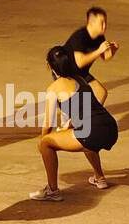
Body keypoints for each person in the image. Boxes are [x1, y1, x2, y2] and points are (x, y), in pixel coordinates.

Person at [29, 46, 119, 201]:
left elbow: (47, 124)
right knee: (83, 133)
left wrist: (43, 142)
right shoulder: (80, 78)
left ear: (49, 66)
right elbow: (102, 92)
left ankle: (52, 190)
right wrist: (80, 119)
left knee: (45, 143)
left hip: (92, 132)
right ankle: (99, 177)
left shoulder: (54, 88)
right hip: (110, 128)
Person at [63, 6, 118, 104]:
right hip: (66, 72)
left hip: (81, 73)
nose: (105, 26)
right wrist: (99, 51)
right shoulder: (80, 36)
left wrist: (113, 50)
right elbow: (80, 62)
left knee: (101, 93)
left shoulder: (99, 36)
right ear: (92, 23)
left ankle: (91, 116)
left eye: (105, 22)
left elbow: (105, 57)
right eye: (102, 23)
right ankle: (78, 116)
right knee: (76, 100)